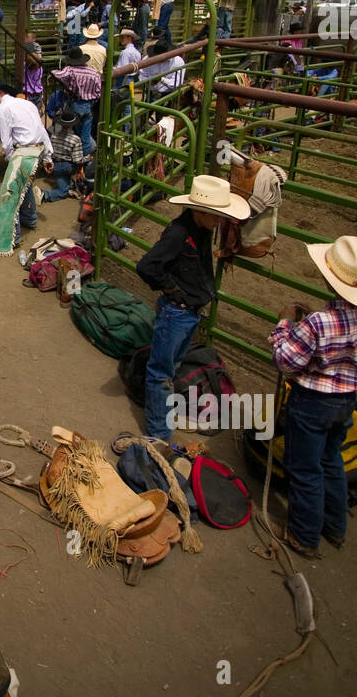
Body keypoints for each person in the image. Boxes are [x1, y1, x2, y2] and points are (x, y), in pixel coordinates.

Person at [136, 176, 249, 441]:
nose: (219, 221)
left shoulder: (201, 230)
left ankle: (160, 420)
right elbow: (147, 266)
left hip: (186, 311)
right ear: (200, 210)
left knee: (169, 366)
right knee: (161, 371)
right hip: (177, 311)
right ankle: (158, 435)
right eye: (216, 215)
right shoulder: (178, 233)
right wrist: (171, 288)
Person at [268, 234, 357, 556]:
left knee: (304, 468)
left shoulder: (320, 322)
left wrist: (285, 323)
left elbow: (286, 360)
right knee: (330, 459)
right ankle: (335, 525)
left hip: (313, 401)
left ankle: (304, 535)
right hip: (347, 399)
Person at [0, 79, 54, 255]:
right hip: (37, 151)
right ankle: (30, 219)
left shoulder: (2, 110)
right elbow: (42, 130)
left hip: (23, 154)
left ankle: (10, 240)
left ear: (0, 93)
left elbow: (6, 142)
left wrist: (10, 158)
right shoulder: (27, 104)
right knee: (24, 186)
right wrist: (48, 156)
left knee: (8, 197)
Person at [53, 48, 101, 157]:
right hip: (88, 105)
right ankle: (85, 158)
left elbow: (58, 75)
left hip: (75, 104)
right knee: (85, 134)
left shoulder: (70, 70)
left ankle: (73, 155)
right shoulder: (93, 72)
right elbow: (98, 92)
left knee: (72, 130)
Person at [35, 102, 84, 203]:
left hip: (55, 165)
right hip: (67, 167)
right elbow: (77, 160)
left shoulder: (54, 132)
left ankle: (70, 186)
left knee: (63, 184)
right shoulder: (75, 139)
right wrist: (87, 158)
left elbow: (46, 133)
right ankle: (44, 194)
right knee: (63, 191)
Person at [22, 29, 44, 109]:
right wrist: (42, 93)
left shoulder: (24, 68)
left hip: (27, 94)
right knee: (36, 114)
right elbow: (39, 82)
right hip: (38, 94)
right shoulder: (40, 69)